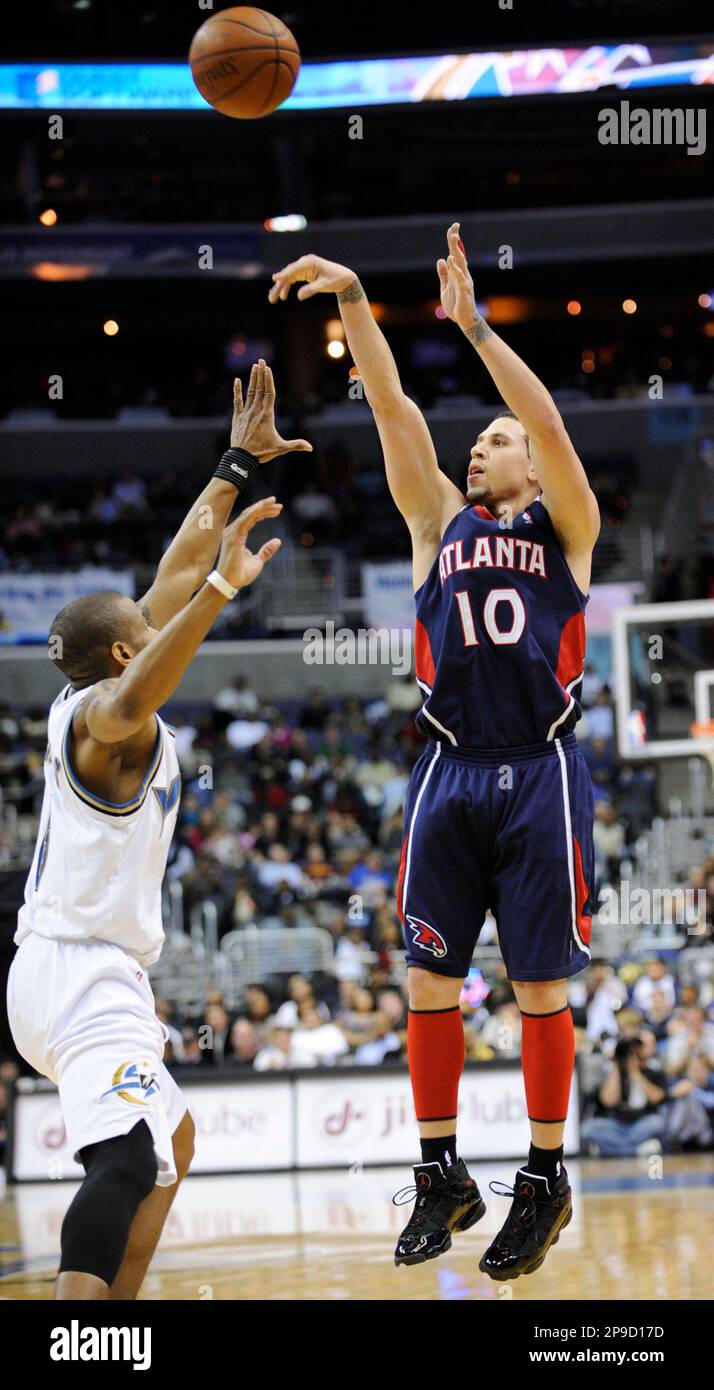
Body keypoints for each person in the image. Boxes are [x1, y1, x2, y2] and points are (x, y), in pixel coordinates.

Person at [270, 224, 601, 1279]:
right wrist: (359, 305)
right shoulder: (435, 526)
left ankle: (544, 1178)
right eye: (483, 441)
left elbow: (547, 422)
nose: (484, 446)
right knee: (427, 979)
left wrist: (475, 327)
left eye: (497, 439)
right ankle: (443, 1169)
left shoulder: (569, 529)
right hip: (448, 773)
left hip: (539, 769)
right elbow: (395, 412)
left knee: (539, 990)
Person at [6, 361, 310, 1301]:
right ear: (127, 651)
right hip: (78, 968)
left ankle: (117, 1322)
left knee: (171, 1140)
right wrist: (220, 591)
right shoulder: (104, 724)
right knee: (129, 1159)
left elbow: (177, 568)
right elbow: (160, 652)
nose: (162, 602)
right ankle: (81, 1336)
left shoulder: (94, 689)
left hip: (81, 966)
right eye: (148, 621)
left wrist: (232, 465)